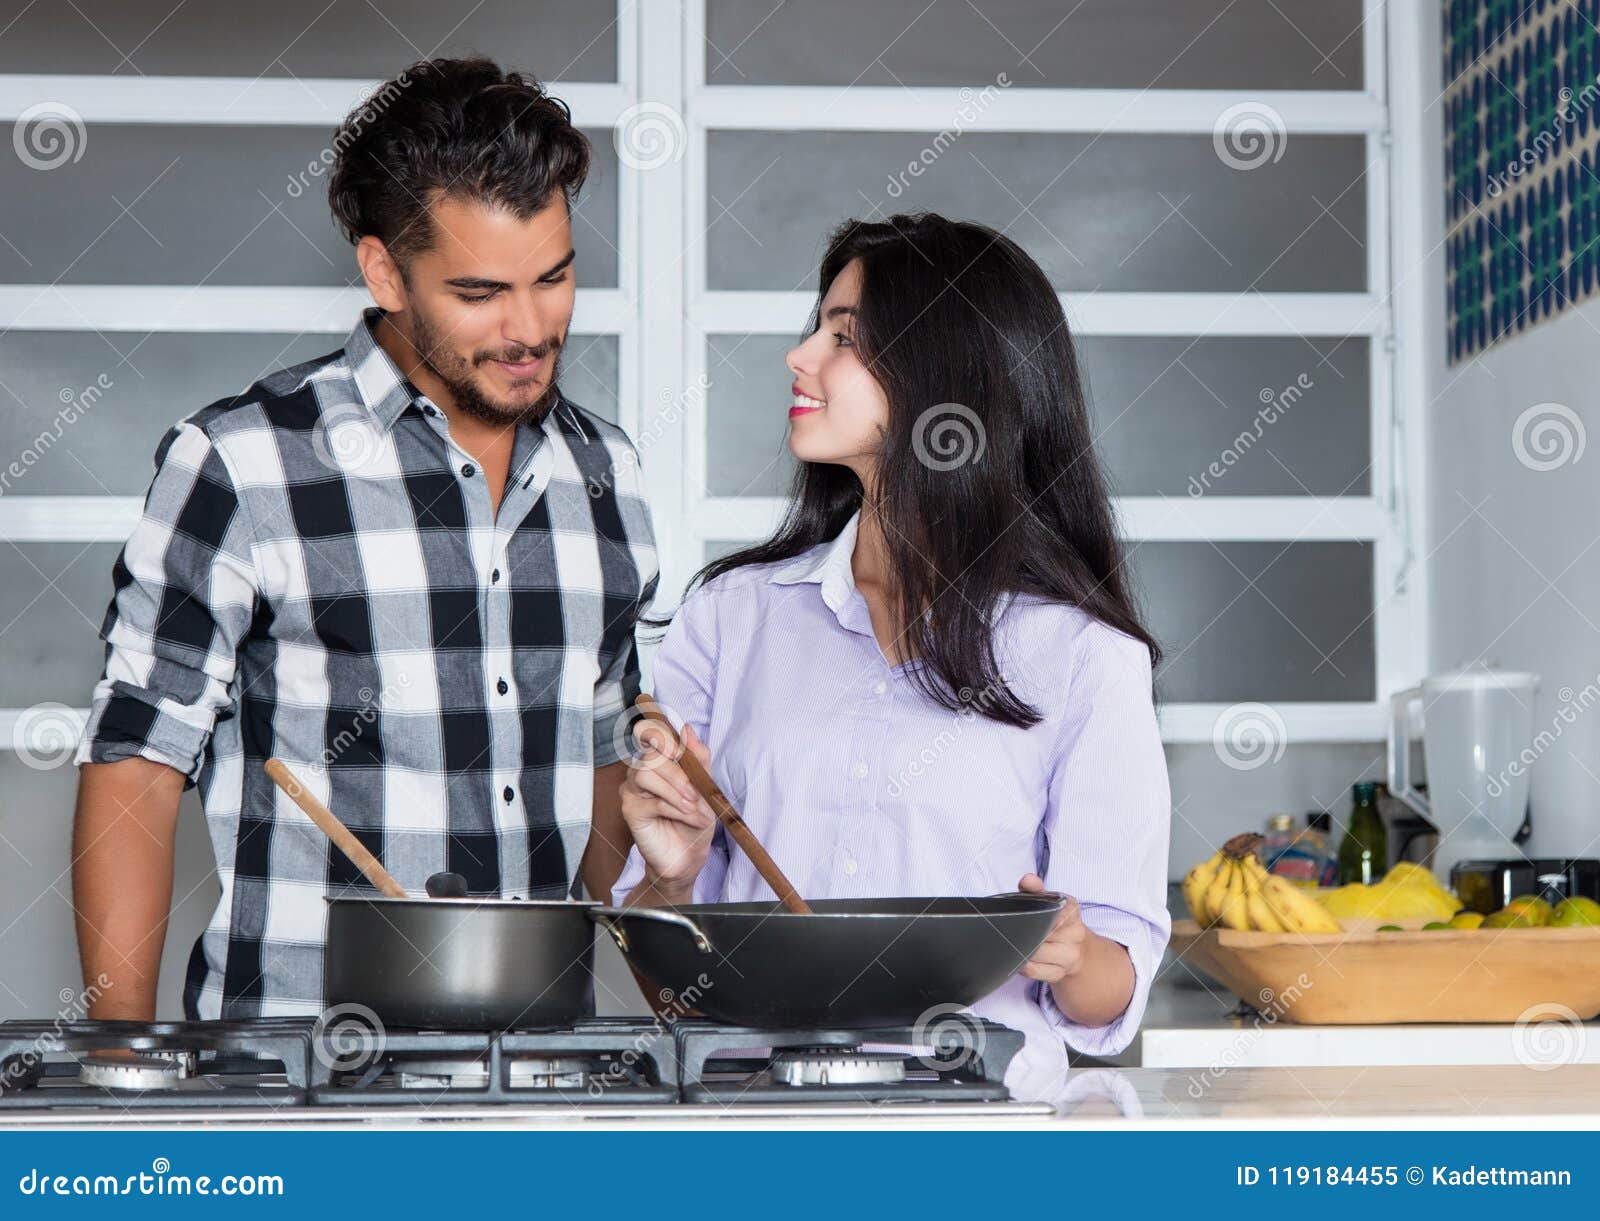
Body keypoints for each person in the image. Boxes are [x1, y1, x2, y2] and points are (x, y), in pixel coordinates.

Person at [71, 58, 656, 1021]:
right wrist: (120, 1066)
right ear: (384, 270)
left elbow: (601, 772)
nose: (530, 326)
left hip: (549, 1080)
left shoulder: (610, 472)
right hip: (307, 1082)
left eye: (553, 277)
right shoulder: (241, 463)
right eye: (479, 292)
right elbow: (137, 760)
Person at [614, 213, 1170, 1091]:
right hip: (755, 1133)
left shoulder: (1084, 655)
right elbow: (665, 985)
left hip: (983, 1148)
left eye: (843, 338)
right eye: (817, 328)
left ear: (947, 377)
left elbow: (1112, 993)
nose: (801, 356)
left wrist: (1070, 948)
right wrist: (670, 882)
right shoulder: (730, 617)